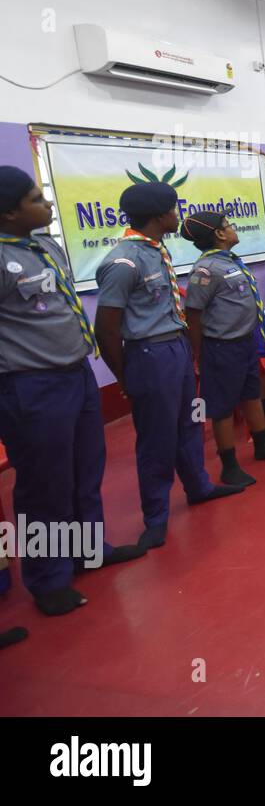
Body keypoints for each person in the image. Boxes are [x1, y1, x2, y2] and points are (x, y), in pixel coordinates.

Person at [0, 166, 146, 615]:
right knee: (45, 483)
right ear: (7, 212)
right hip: (31, 383)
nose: (46, 205)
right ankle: (49, 578)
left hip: (76, 372)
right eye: (35, 199)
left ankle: (87, 550)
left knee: (85, 470)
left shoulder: (45, 245)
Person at [95, 181, 245, 549]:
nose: (178, 216)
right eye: (175, 210)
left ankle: (199, 486)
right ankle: (156, 516)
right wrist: (125, 377)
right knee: (157, 438)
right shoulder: (124, 261)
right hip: (150, 355)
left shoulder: (154, 250)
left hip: (175, 349)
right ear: (160, 215)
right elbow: (107, 330)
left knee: (190, 422)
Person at [181, 211, 265, 486]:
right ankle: (229, 466)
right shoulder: (206, 270)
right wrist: (198, 355)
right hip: (221, 347)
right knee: (221, 407)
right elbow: (193, 315)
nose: (233, 229)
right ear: (220, 235)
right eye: (228, 226)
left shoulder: (230, 262)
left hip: (245, 342)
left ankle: (262, 445)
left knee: (251, 396)